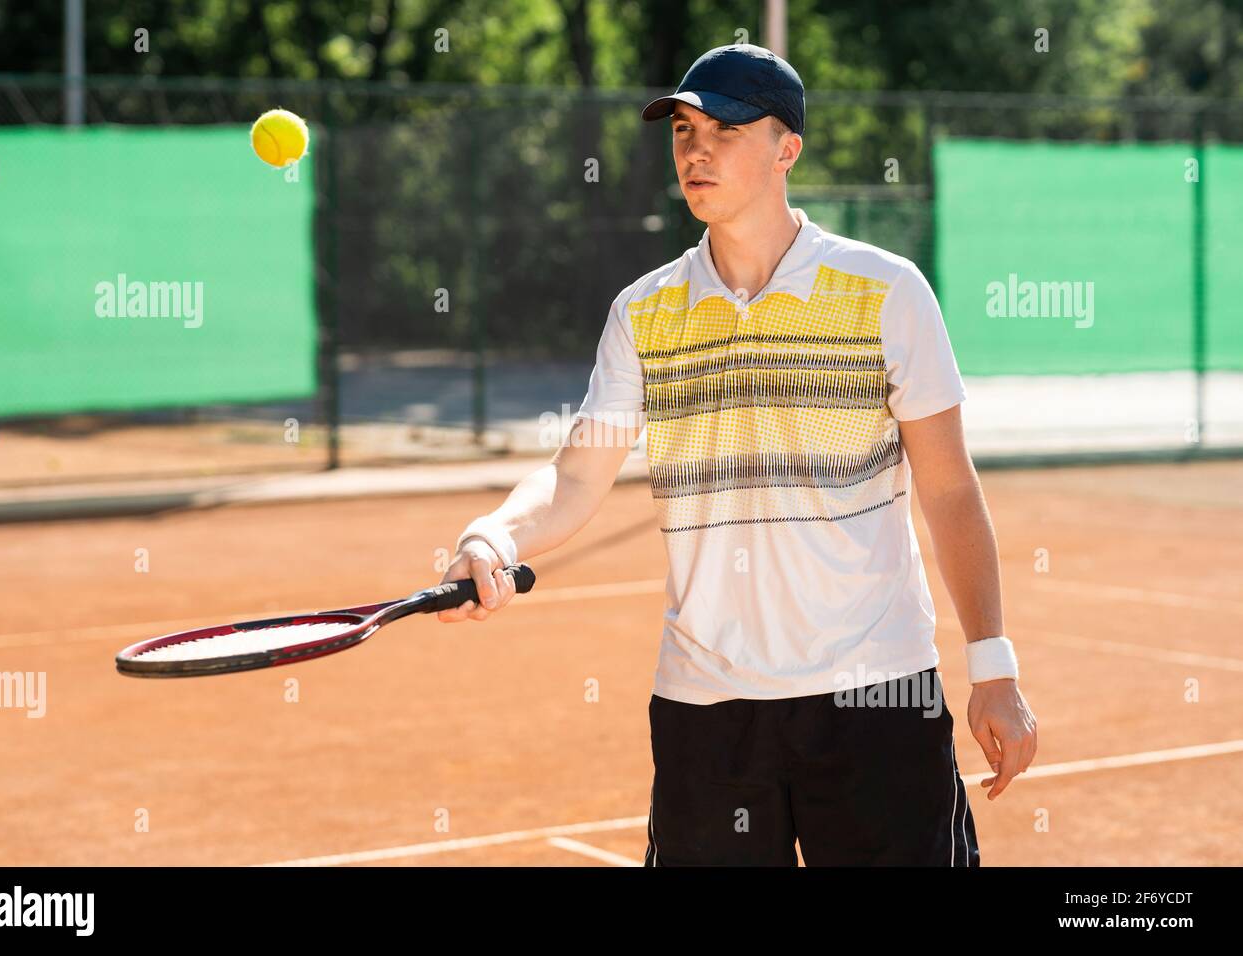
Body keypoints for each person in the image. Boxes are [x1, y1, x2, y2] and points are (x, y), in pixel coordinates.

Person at [437, 44, 1037, 866]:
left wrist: (992, 665)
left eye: (724, 126)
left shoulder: (886, 292)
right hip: (706, 705)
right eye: (684, 128)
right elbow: (575, 474)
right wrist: (493, 537)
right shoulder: (643, 313)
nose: (695, 148)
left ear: (787, 147)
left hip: (880, 693)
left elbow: (949, 491)